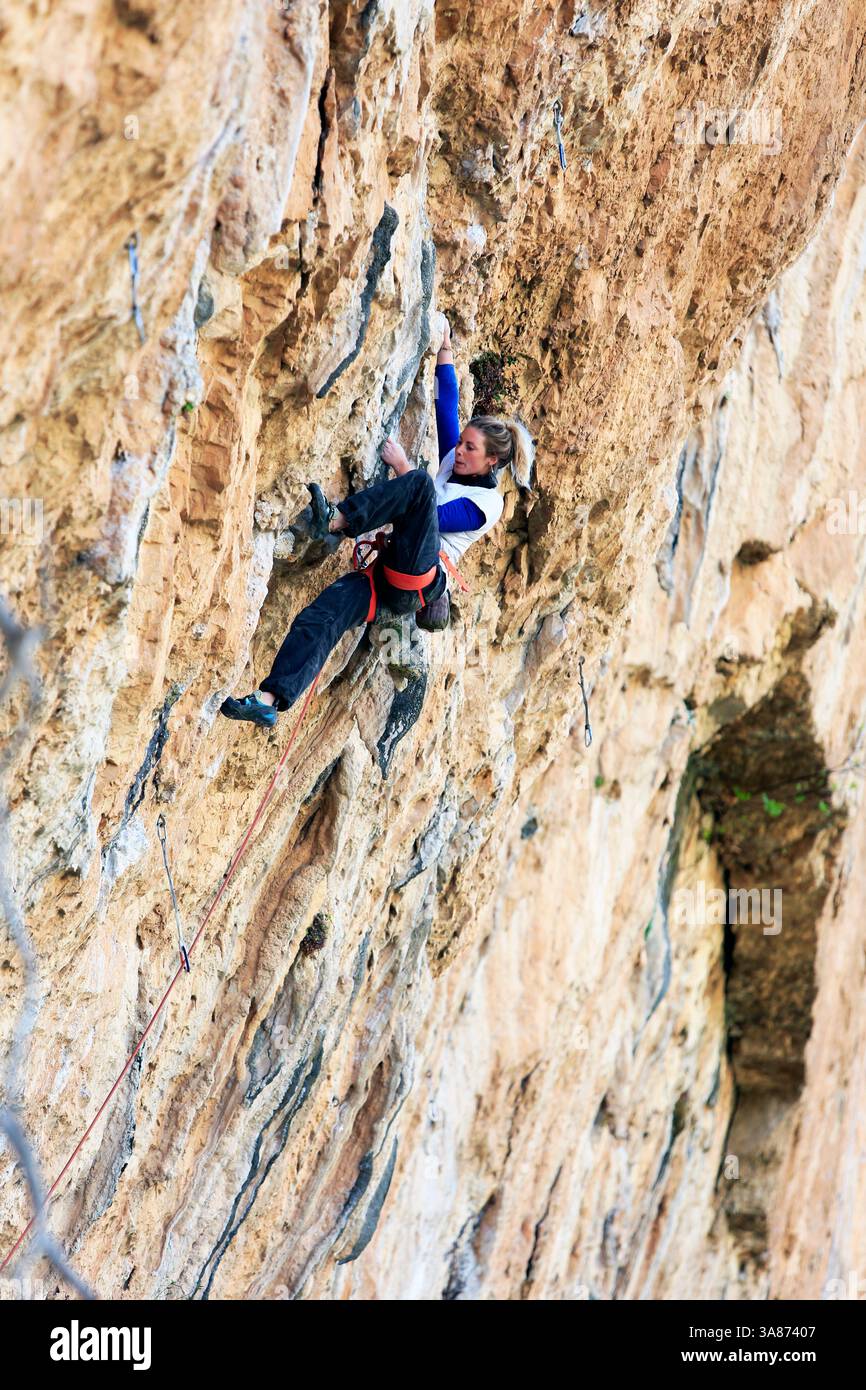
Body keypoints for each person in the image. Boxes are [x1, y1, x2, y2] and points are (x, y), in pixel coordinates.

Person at [220, 317, 534, 727]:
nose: (458, 450)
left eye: (469, 448)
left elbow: (432, 519)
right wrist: (444, 351)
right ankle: (269, 700)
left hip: (418, 576)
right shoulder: (451, 461)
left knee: (419, 485)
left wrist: (404, 467)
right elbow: (445, 406)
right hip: (386, 577)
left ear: (491, 461)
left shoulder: (486, 504)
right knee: (322, 615)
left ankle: (336, 521)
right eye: (460, 443)